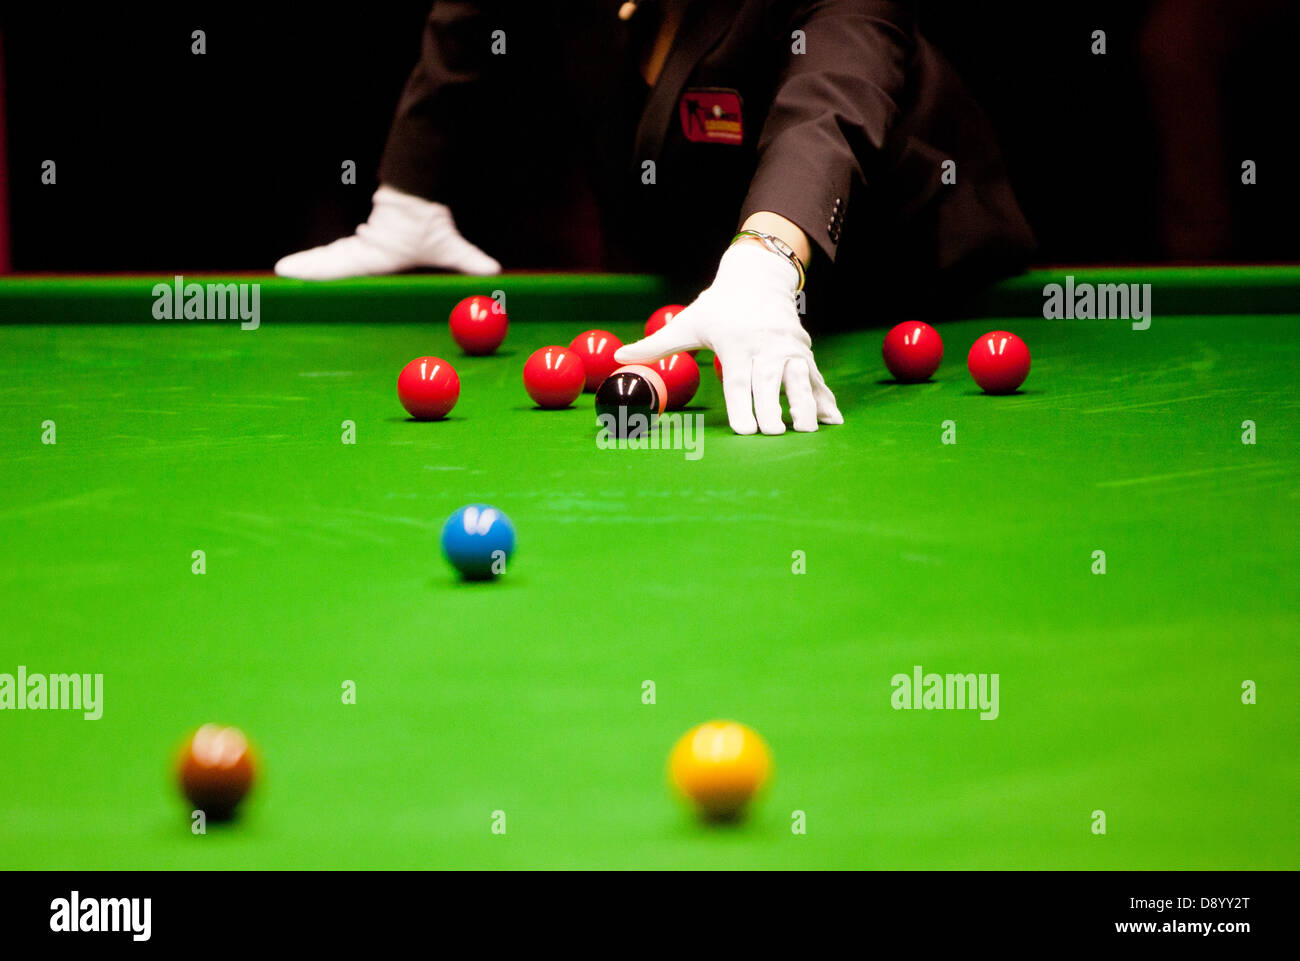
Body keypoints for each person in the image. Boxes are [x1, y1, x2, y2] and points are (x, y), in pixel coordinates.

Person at [276, 1, 1035, 435]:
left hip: (902, 254)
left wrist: (767, 259)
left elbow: (833, 100)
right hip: (703, 257)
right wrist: (409, 191)